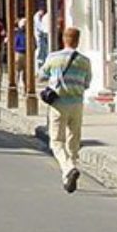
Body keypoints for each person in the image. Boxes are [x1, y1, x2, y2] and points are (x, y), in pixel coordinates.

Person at [38, 26, 92, 193]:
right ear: (77, 41)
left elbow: (42, 74)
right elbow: (87, 82)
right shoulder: (84, 61)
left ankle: (68, 169)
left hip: (59, 103)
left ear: (64, 39)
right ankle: (68, 176)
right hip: (77, 103)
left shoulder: (54, 58)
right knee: (73, 140)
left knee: (56, 141)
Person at [13, 19, 27, 87]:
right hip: (21, 54)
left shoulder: (17, 33)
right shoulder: (19, 33)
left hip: (21, 53)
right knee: (19, 72)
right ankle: (21, 87)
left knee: (20, 72)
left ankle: (20, 87)